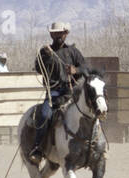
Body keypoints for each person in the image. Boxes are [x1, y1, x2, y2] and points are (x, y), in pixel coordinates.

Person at [26, 23, 87, 165]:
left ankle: (95, 145)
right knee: (45, 115)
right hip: (53, 94)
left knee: (89, 110)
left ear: (66, 34)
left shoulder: (73, 52)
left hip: (71, 93)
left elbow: (86, 68)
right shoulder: (45, 52)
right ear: (51, 35)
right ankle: (38, 148)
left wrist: (75, 71)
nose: (59, 35)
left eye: (62, 33)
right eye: (56, 33)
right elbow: (38, 68)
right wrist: (46, 58)